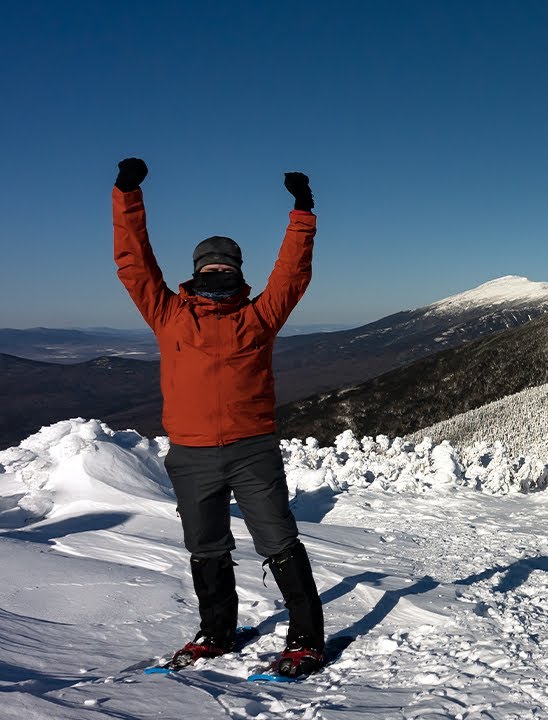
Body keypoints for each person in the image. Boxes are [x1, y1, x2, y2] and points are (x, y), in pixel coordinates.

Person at [112, 157, 326, 678]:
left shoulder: (259, 316)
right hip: (191, 454)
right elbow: (135, 264)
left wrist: (302, 214)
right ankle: (217, 631)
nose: (217, 275)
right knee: (205, 547)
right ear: (195, 272)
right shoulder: (168, 313)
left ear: (238, 273)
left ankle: (306, 638)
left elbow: (292, 274)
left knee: (279, 541)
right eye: (209, 269)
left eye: (225, 269)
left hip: (253, 448)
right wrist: (127, 195)